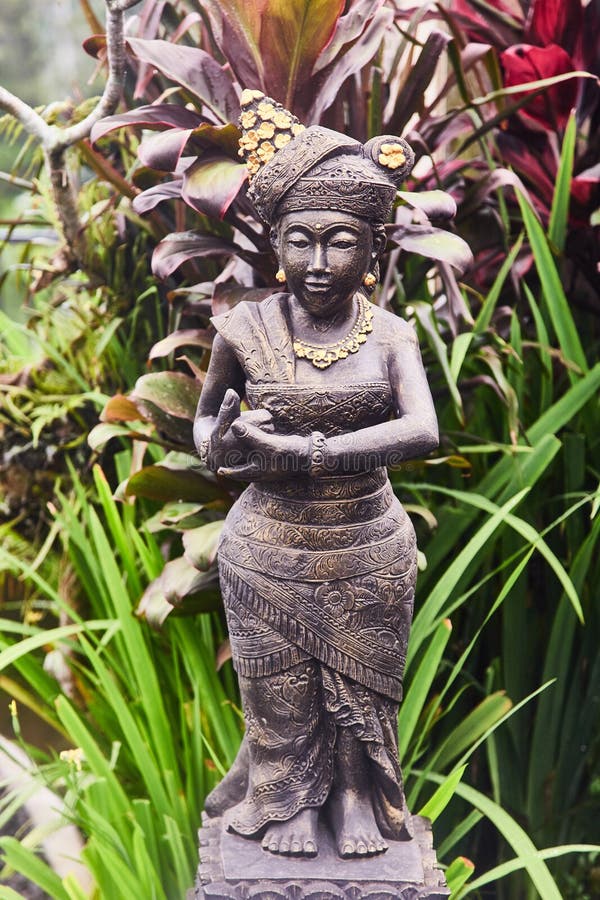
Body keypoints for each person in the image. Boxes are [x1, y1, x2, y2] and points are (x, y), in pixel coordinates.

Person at [193, 91, 438, 860]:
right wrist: (228, 442)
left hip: (366, 539)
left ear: (373, 251)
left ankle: (360, 798)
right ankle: (287, 802)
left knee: (360, 693)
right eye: (301, 242)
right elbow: (207, 423)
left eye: (340, 243)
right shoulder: (244, 329)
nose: (320, 264)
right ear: (276, 246)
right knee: (280, 689)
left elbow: (423, 430)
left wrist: (313, 454)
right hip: (267, 544)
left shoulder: (391, 335)